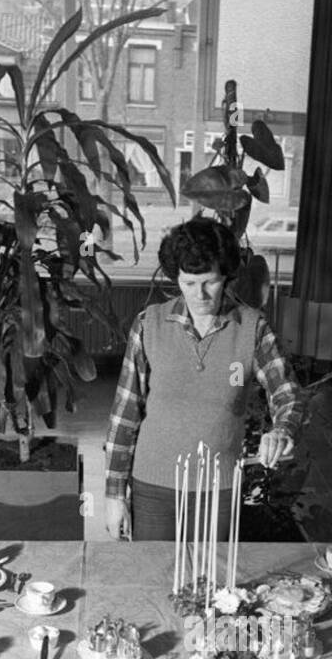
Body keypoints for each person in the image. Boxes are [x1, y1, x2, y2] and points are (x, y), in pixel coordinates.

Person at [103, 216, 303, 542]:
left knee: (211, 584)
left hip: (219, 488)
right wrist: (114, 495)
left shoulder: (252, 328)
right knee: (154, 579)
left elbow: (287, 393)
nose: (199, 294)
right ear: (176, 278)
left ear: (226, 274)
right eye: (188, 283)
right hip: (153, 485)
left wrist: (281, 429)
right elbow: (125, 414)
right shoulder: (148, 324)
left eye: (209, 282)